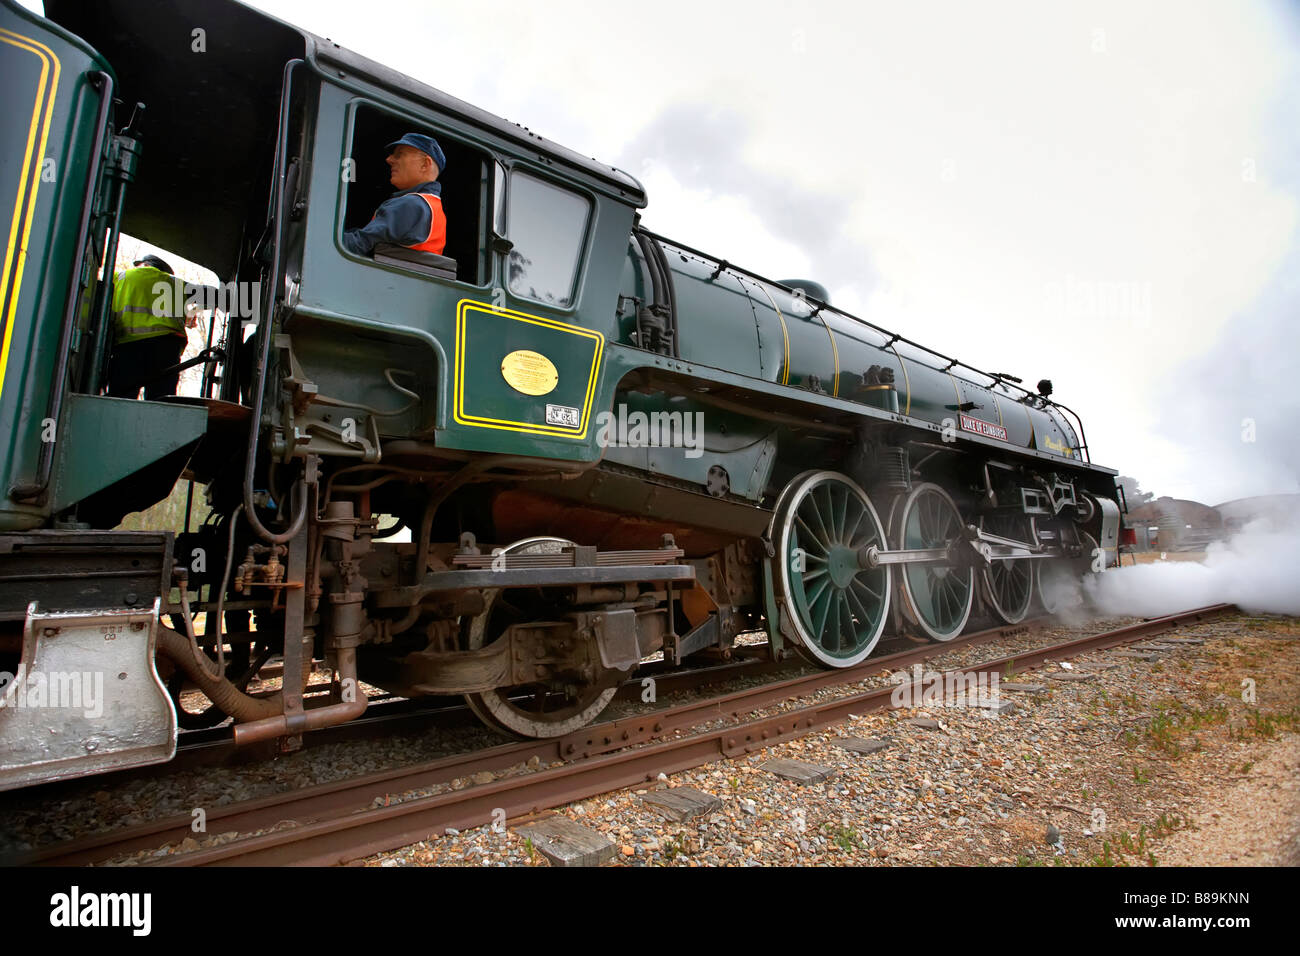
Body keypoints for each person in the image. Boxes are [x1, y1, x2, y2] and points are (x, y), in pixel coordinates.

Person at [343, 132, 448, 257]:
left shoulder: (412, 204)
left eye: (399, 155)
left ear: (425, 164)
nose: (389, 159)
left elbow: (357, 245)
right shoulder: (430, 205)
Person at [106, 254, 195, 399]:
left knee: (120, 398)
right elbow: (214, 295)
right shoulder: (175, 283)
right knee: (160, 400)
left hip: (127, 347)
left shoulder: (119, 277)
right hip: (165, 349)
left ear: (144, 264)